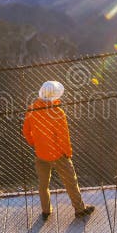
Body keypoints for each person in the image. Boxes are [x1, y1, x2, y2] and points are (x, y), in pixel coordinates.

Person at [22, 80, 95, 220]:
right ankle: (79, 209)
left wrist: (35, 144)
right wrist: (67, 153)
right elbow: (63, 137)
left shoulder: (32, 109)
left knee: (43, 185)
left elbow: (26, 131)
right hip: (58, 155)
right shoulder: (57, 112)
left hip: (41, 154)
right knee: (70, 182)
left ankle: (46, 211)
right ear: (55, 95)